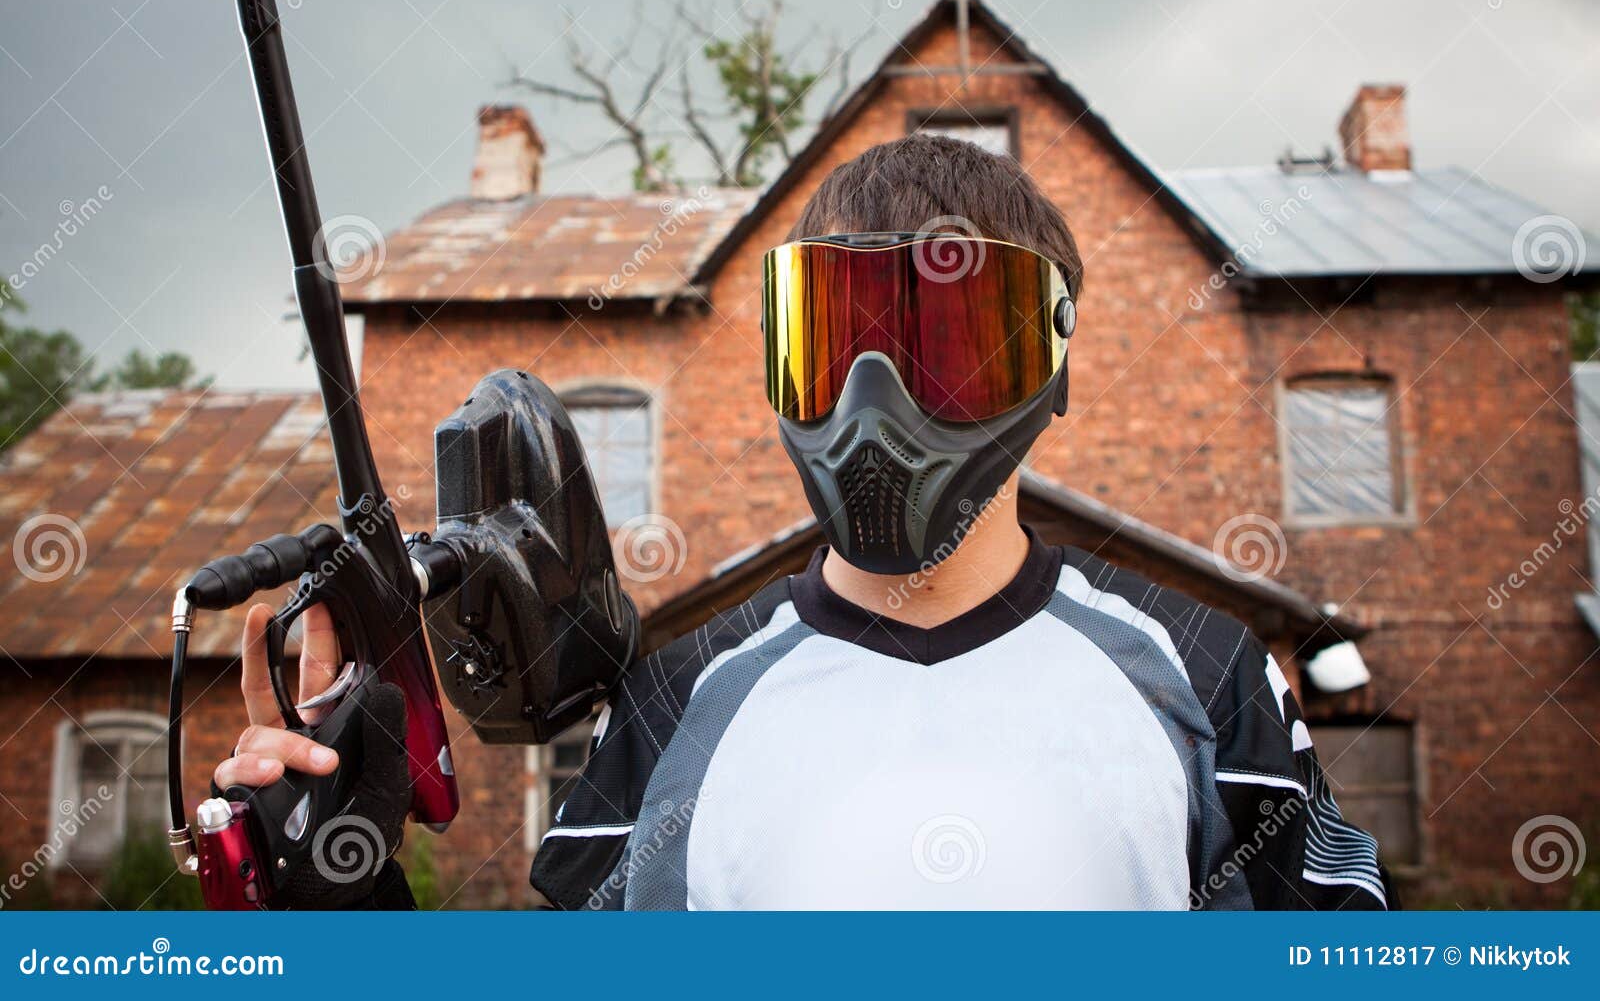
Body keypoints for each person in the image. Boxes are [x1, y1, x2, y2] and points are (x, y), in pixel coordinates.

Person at [213, 134, 1391, 910]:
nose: (876, 405)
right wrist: (342, 897)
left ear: (1050, 365)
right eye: (838, 339)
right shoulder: (672, 703)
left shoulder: (1206, 672)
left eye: (944, 343)